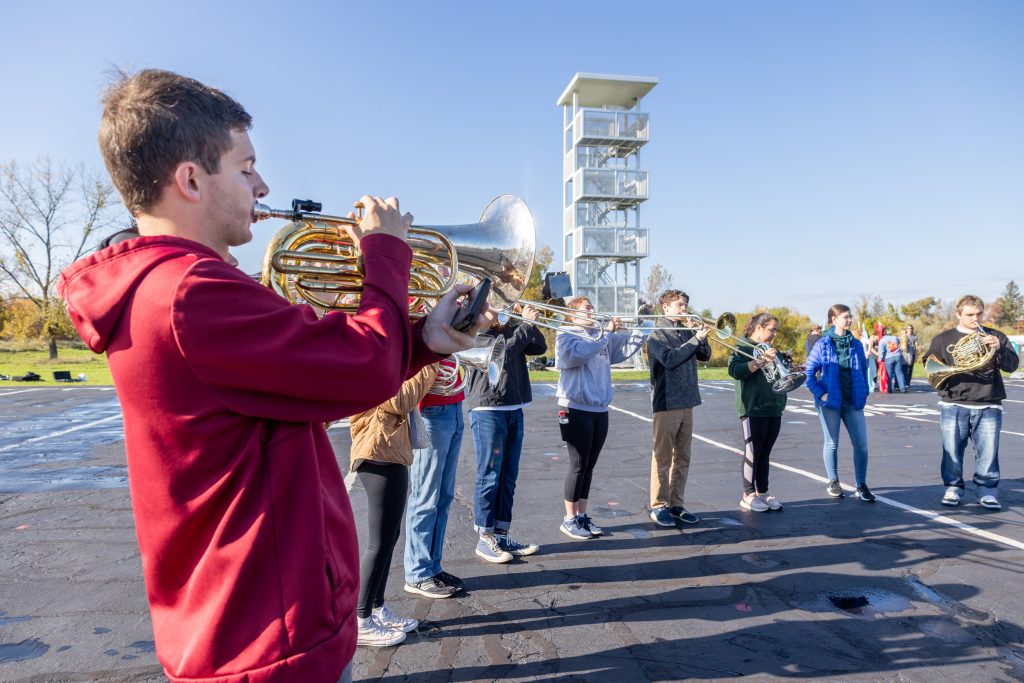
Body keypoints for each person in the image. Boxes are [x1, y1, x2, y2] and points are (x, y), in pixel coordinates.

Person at [56, 69, 489, 683]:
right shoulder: (191, 293)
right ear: (190, 180)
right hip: (266, 631)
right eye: (245, 167)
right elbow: (360, 370)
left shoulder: (172, 287)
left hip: (248, 620)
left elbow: (313, 380)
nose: (263, 185)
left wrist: (422, 340)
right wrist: (387, 251)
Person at [349, 366, 436, 647]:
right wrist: (432, 362)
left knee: (389, 539)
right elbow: (400, 400)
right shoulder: (372, 367)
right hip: (377, 453)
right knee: (379, 543)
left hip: (389, 451)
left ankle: (376, 609)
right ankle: (361, 620)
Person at [555, 296, 645, 538]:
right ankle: (569, 518)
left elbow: (626, 347)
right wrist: (606, 335)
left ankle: (582, 516)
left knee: (589, 465)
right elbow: (577, 355)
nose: (593, 311)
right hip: (574, 407)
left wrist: (642, 326)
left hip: (599, 409)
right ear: (573, 315)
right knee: (577, 464)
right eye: (587, 308)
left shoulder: (599, 333)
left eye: (593, 306)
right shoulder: (565, 333)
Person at [466, 305, 547, 562]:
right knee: (490, 474)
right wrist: (524, 326)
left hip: (514, 407)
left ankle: (501, 533)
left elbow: (540, 348)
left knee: (508, 476)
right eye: (491, 308)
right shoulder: (474, 334)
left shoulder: (511, 330)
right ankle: (484, 536)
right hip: (488, 408)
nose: (497, 312)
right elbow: (501, 355)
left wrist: (527, 323)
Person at [925, 295, 1019, 510]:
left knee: (988, 452)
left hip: (988, 402)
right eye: (969, 315)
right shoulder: (943, 339)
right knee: (952, 450)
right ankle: (953, 488)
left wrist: (1000, 349)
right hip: (954, 403)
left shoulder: (995, 336)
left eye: (979, 314)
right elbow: (931, 368)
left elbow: (1012, 366)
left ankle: (986, 491)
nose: (975, 319)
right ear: (958, 315)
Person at [645, 290, 712, 527]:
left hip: (688, 400)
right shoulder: (657, 334)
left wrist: (700, 336)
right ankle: (659, 505)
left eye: (685, 304)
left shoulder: (686, 331)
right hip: (667, 402)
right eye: (679, 305)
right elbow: (670, 360)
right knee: (662, 458)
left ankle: (676, 503)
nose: (684, 309)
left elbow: (705, 356)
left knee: (683, 457)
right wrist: (694, 339)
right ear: (665, 307)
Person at [403, 358, 466, 599]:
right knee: (425, 496)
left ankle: (433, 567)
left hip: (453, 404)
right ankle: (417, 572)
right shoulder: (416, 319)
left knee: (444, 496)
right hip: (430, 410)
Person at [805, 304, 875, 502]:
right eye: (845, 317)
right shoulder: (823, 344)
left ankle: (861, 485)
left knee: (861, 445)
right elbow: (809, 373)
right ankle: (833, 481)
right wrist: (821, 394)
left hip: (853, 401)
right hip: (830, 403)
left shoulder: (856, 344)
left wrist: (864, 391)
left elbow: (863, 370)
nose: (849, 320)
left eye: (850, 316)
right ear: (833, 320)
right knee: (832, 442)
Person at [728, 312, 787, 512]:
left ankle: (763, 492)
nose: (774, 334)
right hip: (752, 407)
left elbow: (779, 374)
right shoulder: (741, 346)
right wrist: (759, 361)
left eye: (776, 330)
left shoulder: (771, 349)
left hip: (773, 406)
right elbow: (735, 371)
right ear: (759, 328)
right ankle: (748, 494)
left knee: (765, 453)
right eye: (771, 330)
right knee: (753, 453)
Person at [878, 325, 908, 393]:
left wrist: (880, 359)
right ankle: (903, 388)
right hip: (898, 356)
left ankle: (889, 388)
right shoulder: (895, 338)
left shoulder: (882, 340)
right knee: (899, 372)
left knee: (889, 374)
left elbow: (881, 352)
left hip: (888, 358)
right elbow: (899, 345)